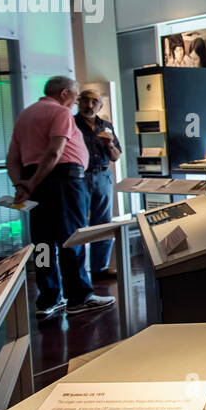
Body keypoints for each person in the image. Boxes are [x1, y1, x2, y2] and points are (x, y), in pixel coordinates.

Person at [7, 75, 114, 320]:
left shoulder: (26, 114)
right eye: (76, 96)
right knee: (71, 238)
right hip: (64, 181)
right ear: (65, 93)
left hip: (35, 180)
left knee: (43, 242)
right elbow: (55, 150)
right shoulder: (60, 112)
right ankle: (78, 297)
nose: (76, 101)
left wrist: (22, 186)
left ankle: (48, 298)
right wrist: (33, 182)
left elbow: (12, 158)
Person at [76, 89, 122, 279]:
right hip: (79, 177)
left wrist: (109, 144)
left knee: (103, 222)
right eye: (85, 101)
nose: (89, 105)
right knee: (78, 223)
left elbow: (116, 156)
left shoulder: (106, 126)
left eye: (94, 101)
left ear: (100, 105)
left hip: (103, 175)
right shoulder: (72, 124)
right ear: (78, 103)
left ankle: (99, 268)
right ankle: (78, 272)